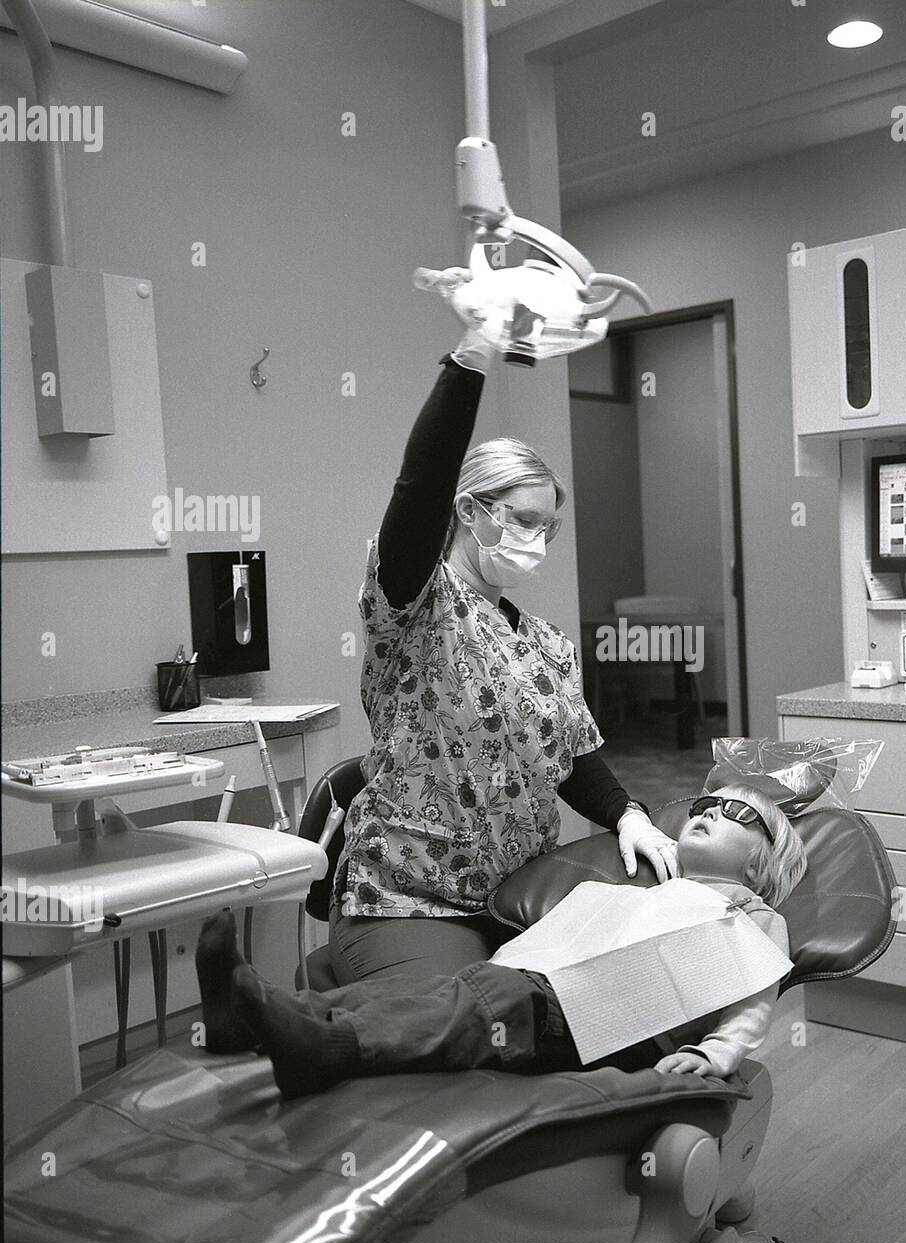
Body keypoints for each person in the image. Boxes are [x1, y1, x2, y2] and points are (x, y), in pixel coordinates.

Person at [330, 327, 677, 985]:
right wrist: (473, 354)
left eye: (546, 527)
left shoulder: (545, 645)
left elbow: (569, 758)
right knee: (462, 1027)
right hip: (410, 899)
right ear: (468, 508)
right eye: (521, 519)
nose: (537, 540)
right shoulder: (416, 604)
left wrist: (627, 812)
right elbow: (419, 483)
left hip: (519, 896)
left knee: (605, 1003)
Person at [198, 788, 807, 1098]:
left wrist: (716, 1056)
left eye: (736, 813)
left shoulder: (748, 916)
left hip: (597, 1030)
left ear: (761, 867)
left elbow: (754, 1002)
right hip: (542, 994)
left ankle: (326, 1044)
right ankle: (258, 1024)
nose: (709, 811)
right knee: (445, 997)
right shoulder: (655, 891)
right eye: (704, 803)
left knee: (470, 1003)